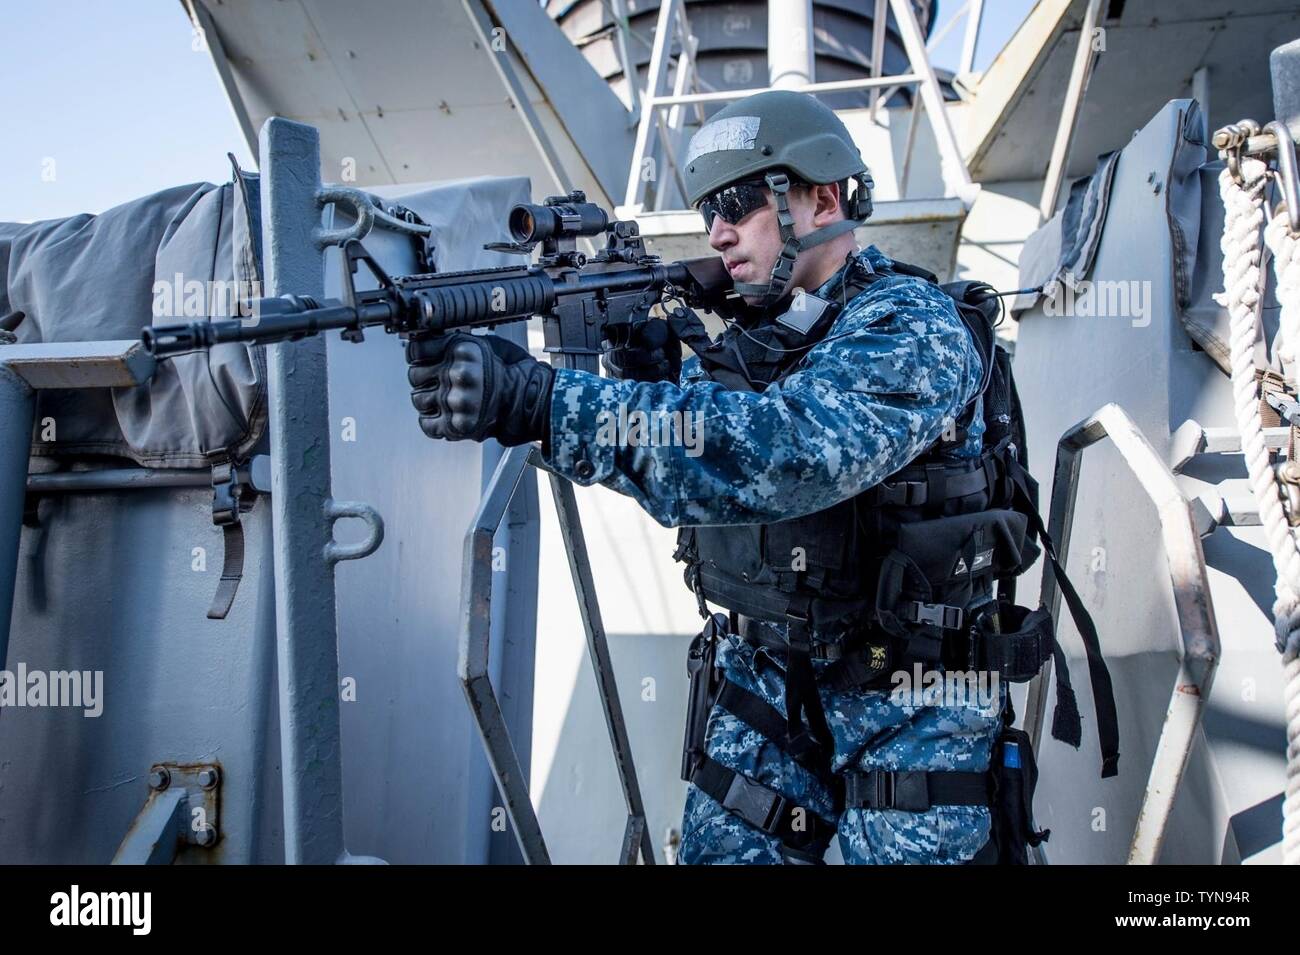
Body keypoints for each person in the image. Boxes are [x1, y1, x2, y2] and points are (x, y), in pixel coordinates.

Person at [405, 90, 1076, 864]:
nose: (717, 231)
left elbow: (785, 453)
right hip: (768, 672)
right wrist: (637, 381)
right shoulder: (759, 336)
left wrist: (543, 403)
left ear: (822, 198)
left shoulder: (912, 324)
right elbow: (700, 463)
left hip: (909, 683)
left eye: (737, 203)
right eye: (707, 212)